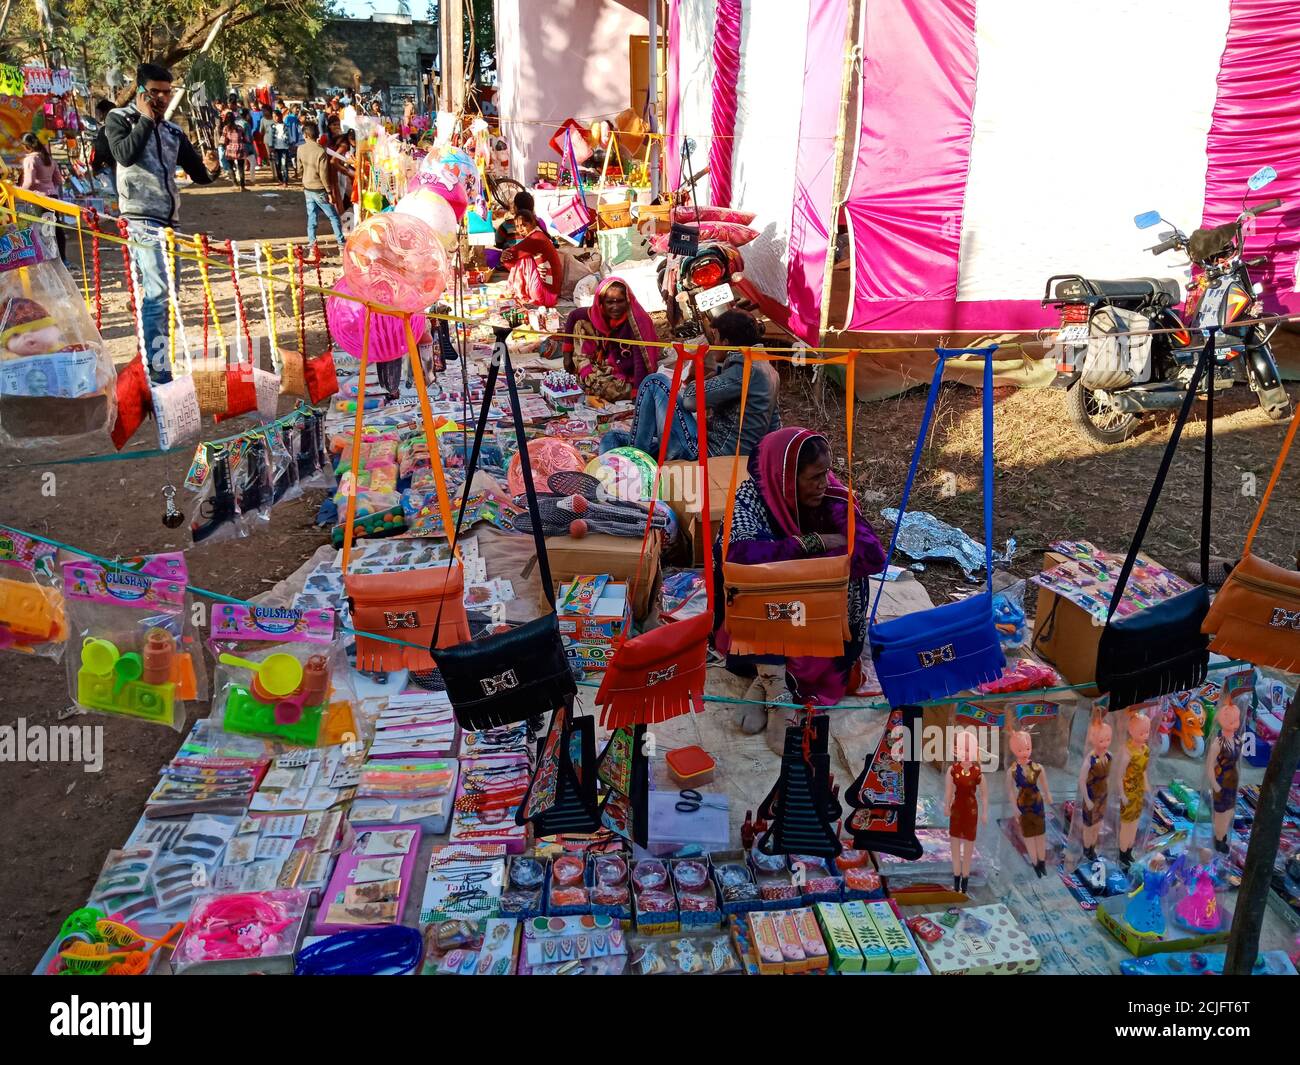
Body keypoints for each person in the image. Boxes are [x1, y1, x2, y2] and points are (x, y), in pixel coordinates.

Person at [715, 427, 887, 735]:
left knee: (832, 589)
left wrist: (796, 568)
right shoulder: (752, 496)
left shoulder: (831, 495)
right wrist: (813, 544)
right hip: (767, 609)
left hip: (816, 618)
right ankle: (776, 683)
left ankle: (769, 681)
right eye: (813, 477)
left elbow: (871, 554)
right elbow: (740, 555)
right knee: (753, 584)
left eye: (826, 473)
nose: (824, 484)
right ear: (785, 478)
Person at [106, 62, 216, 384]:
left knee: (168, 293)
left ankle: (154, 357)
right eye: (155, 92)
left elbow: (199, 173)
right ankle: (157, 370)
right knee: (158, 293)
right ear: (141, 91)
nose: (162, 98)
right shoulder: (119, 119)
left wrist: (212, 169)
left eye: (167, 93)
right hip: (140, 219)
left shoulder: (172, 132)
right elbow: (124, 155)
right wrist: (144, 119)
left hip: (170, 223)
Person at [599, 308, 779, 460]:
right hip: (716, 445)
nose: (713, 343)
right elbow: (774, 427)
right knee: (613, 438)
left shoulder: (746, 369)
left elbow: (691, 400)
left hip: (712, 453)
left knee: (654, 382)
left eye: (715, 338)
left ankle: (636, 463)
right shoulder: (768, 370)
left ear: (726, 343)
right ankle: (628, 464)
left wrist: (696, 377)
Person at [559, 277, 659, 401]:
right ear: (601, 302)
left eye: (620, 301)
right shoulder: (598, 313)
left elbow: (641, 361)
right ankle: (587, 374)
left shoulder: (636, 322)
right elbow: (574, 315)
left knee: (603, 388)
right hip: (607, 362)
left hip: (628, 373)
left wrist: (637, 394)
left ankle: (593, 380)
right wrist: (566, 355)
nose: (615, 307)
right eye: (610, 302)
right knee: (581, 324)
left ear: (627, 300)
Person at [500, 210, 563, 310]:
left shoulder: (536, 238)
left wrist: (504, 256)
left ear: (532, 223)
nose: (520, 229)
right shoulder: (538, 235)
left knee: (523, 259)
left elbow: (511, 257)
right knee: (524, 256)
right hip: (551, 291)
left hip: (545, 294)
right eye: (517, 226)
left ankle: (519, 292)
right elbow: (511, 255)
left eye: (524, 225)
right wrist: (506, 255)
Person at [19, 133, 66, 263]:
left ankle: (49, 260)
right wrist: (49, 188)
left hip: (39, 199)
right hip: (53, 197)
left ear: (26, 146)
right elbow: (58, 180)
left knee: (44, 230)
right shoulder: (48, 158)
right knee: (56, 227)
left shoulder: (30, 160)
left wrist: (19, 193)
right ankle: (62, 258)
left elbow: (29, 181)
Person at [297, 120, 343, 251]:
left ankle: (312, 245)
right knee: (333, 216)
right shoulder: (321, 151)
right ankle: (341, 243)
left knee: (312, 217)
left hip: (307, 187)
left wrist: (304, 178)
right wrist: (329, 192)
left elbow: (299, 169)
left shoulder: (300, 149)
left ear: (305, 135)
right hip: (320, 189)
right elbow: (323, 174)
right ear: (317, 135)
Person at [89, 99, 116, 193]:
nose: (97, 115)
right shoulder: (125, 125)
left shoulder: (105, 130)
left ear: (104, 113)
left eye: (97, 113)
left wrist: (95, 167)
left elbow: (101, 151)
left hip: (115, 168)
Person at [219, 112, 248, 191]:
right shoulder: (240, 127)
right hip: (240, 148)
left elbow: (223, 141)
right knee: (241, 168)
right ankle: (242, 186)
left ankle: (235, 185)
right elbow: (245, 139)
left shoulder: (226, 128)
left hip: (230, 148)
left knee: (230, 167)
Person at [269, 109, 292, 188]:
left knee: (284, 165)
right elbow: (270, 138)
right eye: (273, 117)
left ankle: (285, 181)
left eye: (276, 116)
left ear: (280, 116)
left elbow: (290, 136)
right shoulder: (272, 126)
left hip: (284, 148)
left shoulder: (286, 126)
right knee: (277, 165)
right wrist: (270, 146)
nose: (275, 118)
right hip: (275, 148)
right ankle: (281, 179)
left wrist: (291, 144)